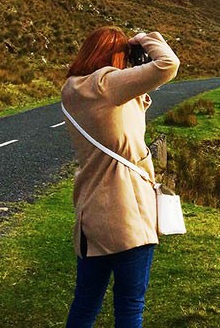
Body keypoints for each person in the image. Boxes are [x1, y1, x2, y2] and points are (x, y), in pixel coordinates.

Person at [61, 27, 180, 328]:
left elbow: (120, 118)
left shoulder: (74, 89)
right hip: (127, 213)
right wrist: (145, 38)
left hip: (91, 216)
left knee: (85, 303)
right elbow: (168, 64)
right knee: (129, 308)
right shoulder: (107, 85)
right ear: (113, 55)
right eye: (124, 55)